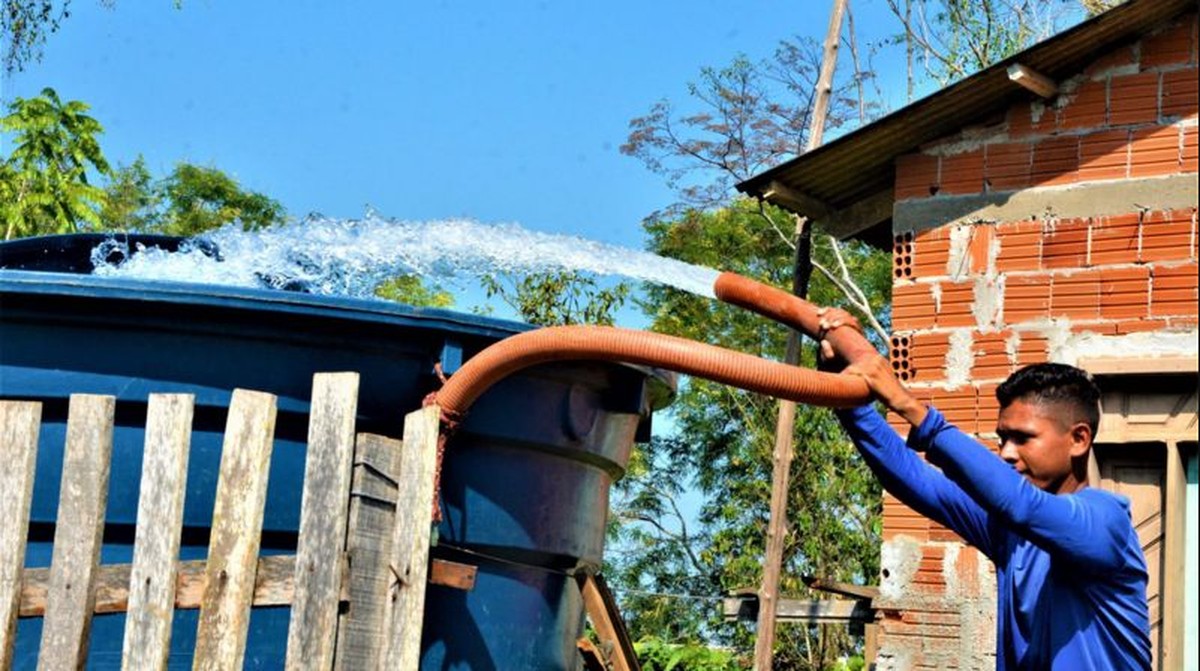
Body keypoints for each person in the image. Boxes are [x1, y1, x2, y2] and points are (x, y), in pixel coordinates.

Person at [816, 307, 1151, 670]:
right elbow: (916, 479)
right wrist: (846, 395)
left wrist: (910, 406)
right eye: (1003, 438)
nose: (1006, 453)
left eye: (1023, 438)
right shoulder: (1011, 534)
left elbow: (1022, 505)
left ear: (1079, 439)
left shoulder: (1105, 523)